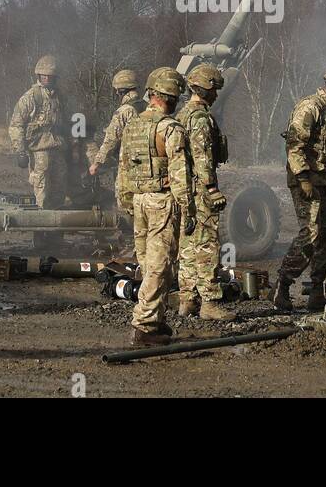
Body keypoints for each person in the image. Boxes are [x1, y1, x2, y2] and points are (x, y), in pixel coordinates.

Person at [273, 64, 326, 312]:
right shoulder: (309, 107)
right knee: (309, 235)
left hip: (322, 179)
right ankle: (282, 285)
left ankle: (317, 290)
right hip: (306, 179)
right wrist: (302, 178)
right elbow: (294, 145)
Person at [121, 67, 193, 347]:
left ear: (151, 93)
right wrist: (188, 207)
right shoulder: (170, 128)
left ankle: (156, 316)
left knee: (147, 263)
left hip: (138, 200)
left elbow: (123, 169)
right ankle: (145, 327)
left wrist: (126, 201)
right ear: (173, 98)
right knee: (160, 265)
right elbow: (180, 173)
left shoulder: (133, 125)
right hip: (162, 200)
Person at [175, 63, 233, 321]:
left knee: (187, 243)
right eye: (214, 89)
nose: (217, 95)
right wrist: (211, 187)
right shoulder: (199, 118)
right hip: (200, 188)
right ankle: (209, 302)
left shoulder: (182, 114)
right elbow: (202, 155)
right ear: (205, 89)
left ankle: (187, 300)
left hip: (185, 188)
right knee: (208, 243)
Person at [9, 55, 68, 208]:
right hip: (39, 148)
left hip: (58, 147)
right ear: (38, 75)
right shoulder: (31, 97)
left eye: (49, 75)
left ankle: (57, 222)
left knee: (60, 184)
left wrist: (74, 145)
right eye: (43, 75)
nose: (46, 78)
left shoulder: (61, 97)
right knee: (41, 185)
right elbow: (16, 125)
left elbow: (69, 121)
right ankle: (43, 220)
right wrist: (20, 151)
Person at [89, 69, 145, 217]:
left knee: (126, 204)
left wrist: (97, 163)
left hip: (128, 165)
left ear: (120, 91)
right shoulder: (148, 107)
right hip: (147, 165)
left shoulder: (124, 111)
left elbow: (110, 140)